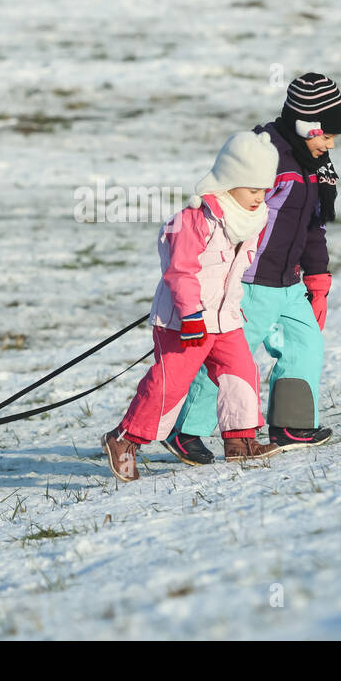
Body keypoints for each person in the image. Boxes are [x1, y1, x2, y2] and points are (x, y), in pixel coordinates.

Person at [164, 72, 341, 465]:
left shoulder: (313, 166)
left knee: (306, 343)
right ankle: (187, 430)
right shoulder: (265, 159)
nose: (330, 145)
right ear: (305, 125)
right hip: (248, 281)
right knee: (227, 358)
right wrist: (213, 271)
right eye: (326, 135)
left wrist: (318, 277)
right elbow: (225, 211)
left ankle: (291, 422)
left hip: (289, 282)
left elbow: (313, 224)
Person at [101, 131, 284, 481]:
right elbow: (181, 270)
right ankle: (124, 439)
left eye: (264, 189)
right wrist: (191, 315)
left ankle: (241, 442)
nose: (260, 197)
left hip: (225, 318)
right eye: (252, 189)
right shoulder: (193, 219)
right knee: (171, 383)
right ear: (229, 182)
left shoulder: (253, 220)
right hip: (186, 321)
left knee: (242, 374)